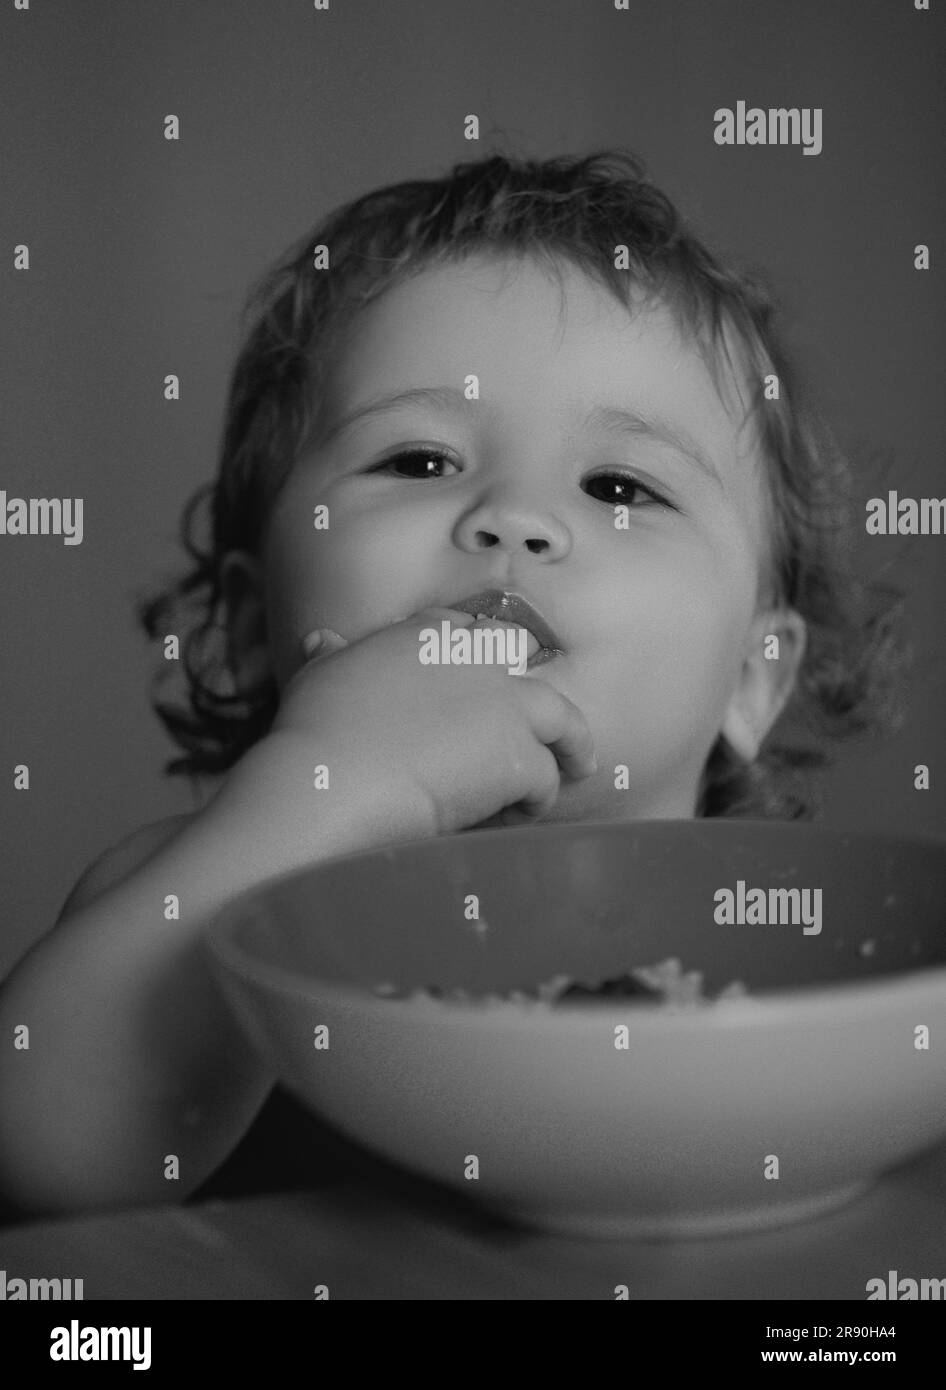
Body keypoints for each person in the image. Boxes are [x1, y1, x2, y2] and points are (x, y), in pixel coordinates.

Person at [0, 150, 906, 1219]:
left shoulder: (786, 939)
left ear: (752, 680)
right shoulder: (189, 889)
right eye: (419, 461)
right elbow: (43, 1160)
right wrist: (325, 786)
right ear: (248, 626)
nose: (513, 518)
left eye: (619, 485)